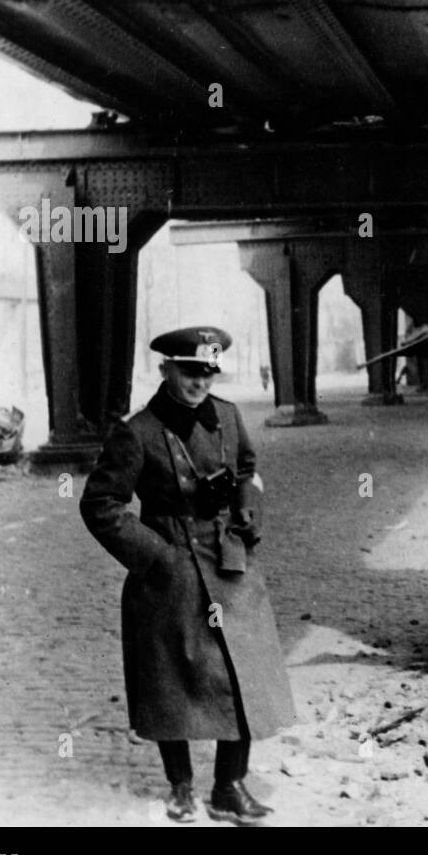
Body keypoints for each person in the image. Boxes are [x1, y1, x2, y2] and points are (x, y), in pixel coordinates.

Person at [80, 326, 295, 825]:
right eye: (189, 372)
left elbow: (248, 469)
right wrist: (155, 556)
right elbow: (100, 503)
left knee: (244, 669)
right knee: (169, 678)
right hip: (170, 568)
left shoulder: (228, 416)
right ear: (166, 369)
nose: (200, 383)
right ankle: (180, 787)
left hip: (228, 559)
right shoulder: (137, 432)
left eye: (207, 373)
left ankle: (229, 786)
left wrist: (248, 509)